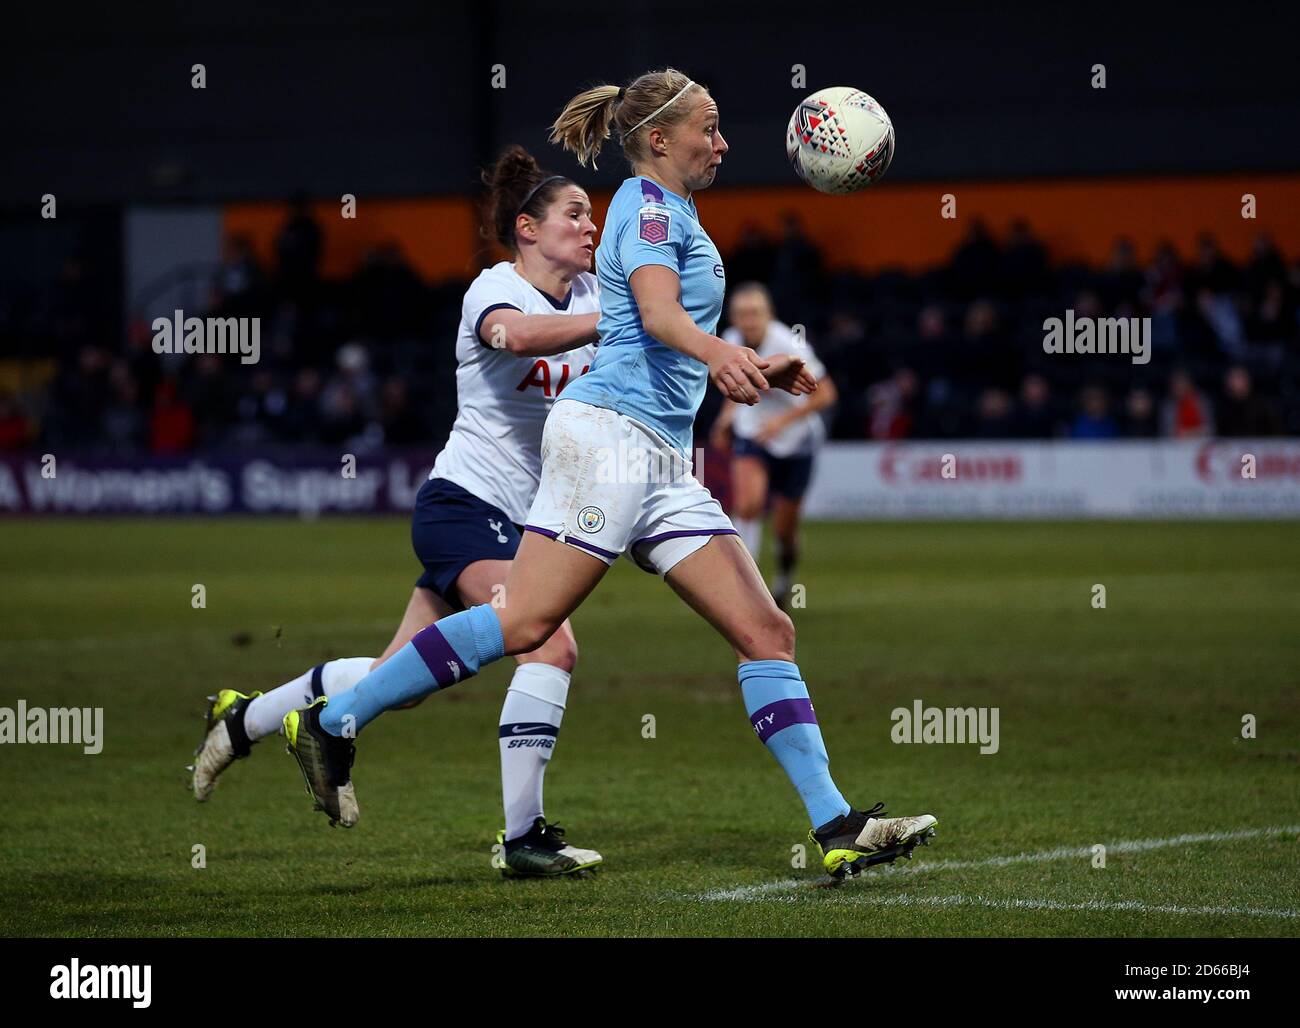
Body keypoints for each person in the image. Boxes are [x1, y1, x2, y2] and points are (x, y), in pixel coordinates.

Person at [285, 68, 937, 881]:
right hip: (611, 437)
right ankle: (334, 721)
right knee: (525, 625)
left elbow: (657, 328)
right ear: (659, 139)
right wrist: (723, 352)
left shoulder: (675, 212)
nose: (724, 142)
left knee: (766, 631)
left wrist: (750, 371)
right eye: (711, 127)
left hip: (661, 456)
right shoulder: (644, 206)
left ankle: (835, 825)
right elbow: (660, 316)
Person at [191, 145, 604, 877]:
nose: (590, 224)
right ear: (527, 229)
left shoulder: (592, 295)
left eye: (593, 213)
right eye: (574, 213)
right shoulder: (494, 290)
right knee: (549, 643)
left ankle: (247, 718)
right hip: (466, 506)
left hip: (524, 521)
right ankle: (522, 839)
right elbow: (518, 337)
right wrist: (618, 322)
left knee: (398, 681)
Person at [709, 283, 836, 609]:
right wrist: (726, 418)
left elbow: (826, 394)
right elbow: (737, 387)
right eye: (741, 315)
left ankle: (783, 579)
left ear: (769, 316)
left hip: (797, 441)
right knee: (748, 505)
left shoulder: (789, 342)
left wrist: (782, 422)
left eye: (754, 314)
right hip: (753, 435)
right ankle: (745, 591)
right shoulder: (731, 341)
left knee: (784, 531)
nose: (748, 321)